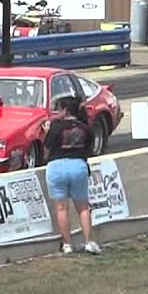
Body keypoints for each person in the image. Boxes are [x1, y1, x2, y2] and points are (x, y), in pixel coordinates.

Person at [45, 96, 102, 255]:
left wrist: (47, 131)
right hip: (78, 165)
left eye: (59, 109)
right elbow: (89, 148)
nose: (57, 112)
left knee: (61, 208)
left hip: (57, 166)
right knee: (83, 207)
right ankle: (89, 241)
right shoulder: (85, 128)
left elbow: (48, 146)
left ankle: (67, 244)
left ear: (65, 110)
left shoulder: (56, 128)